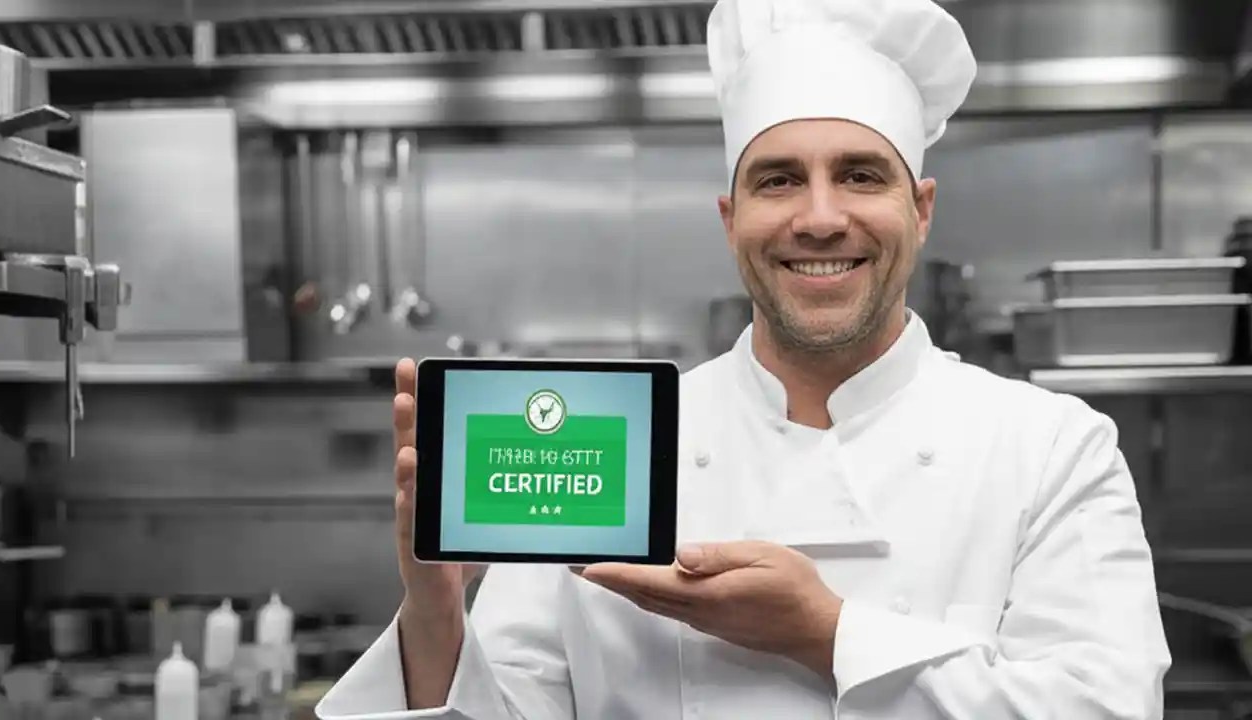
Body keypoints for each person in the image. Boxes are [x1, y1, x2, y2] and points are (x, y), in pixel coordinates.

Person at [317, 0, 1172, 717]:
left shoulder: (1050, 446)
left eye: (862, 175)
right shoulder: (616, 440)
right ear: (730, 218)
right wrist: (434, 612)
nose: (820, 217)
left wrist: (824, 632)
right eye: (778, 180)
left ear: (922, 209)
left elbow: (1107, 707)